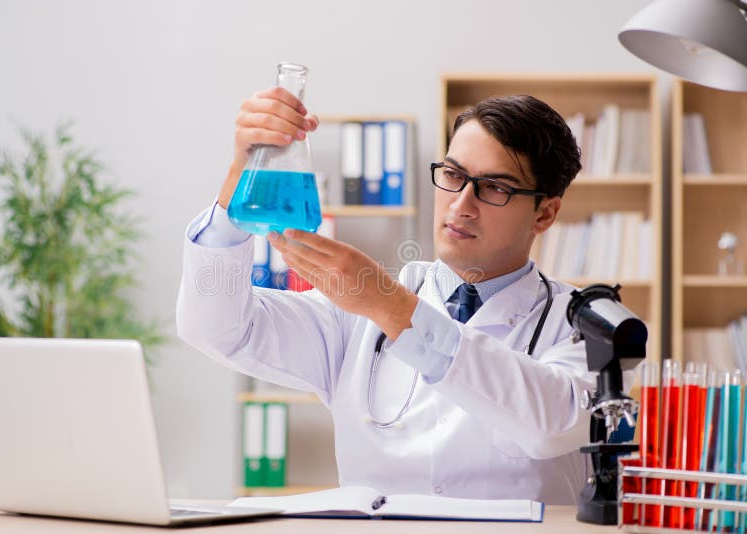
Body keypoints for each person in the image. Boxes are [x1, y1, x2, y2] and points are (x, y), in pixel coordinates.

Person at [177, 86, 628, 504]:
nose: (460, 204)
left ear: (545, 214)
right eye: (453, 174)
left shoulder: (586, 325)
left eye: (494, 187)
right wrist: (242, 177)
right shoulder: (354, 313)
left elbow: (552, 424)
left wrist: (390, 307)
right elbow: (219, 330)